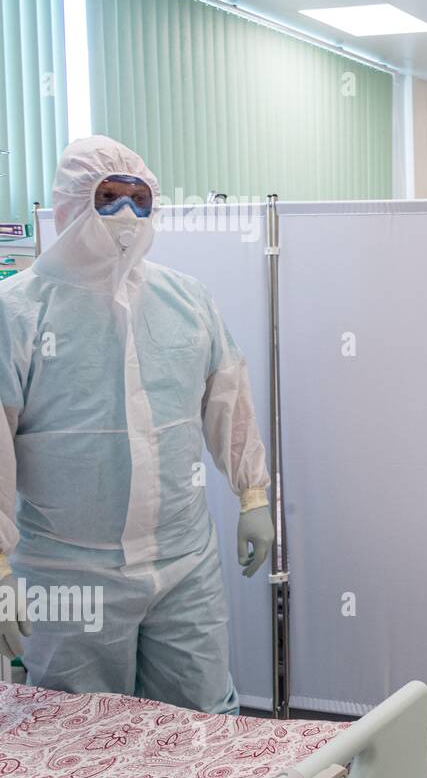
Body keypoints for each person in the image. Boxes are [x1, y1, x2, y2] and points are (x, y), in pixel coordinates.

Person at [0, 136, 275, 713]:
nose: (125, 213)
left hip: (183, 563)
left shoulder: (185, 298)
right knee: (80, 735)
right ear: (71, 203)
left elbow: (228, 394)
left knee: (198, 724)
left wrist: (253, 494)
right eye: (107, 197)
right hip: (67, 574)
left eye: (138, 198)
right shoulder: (17, 311)